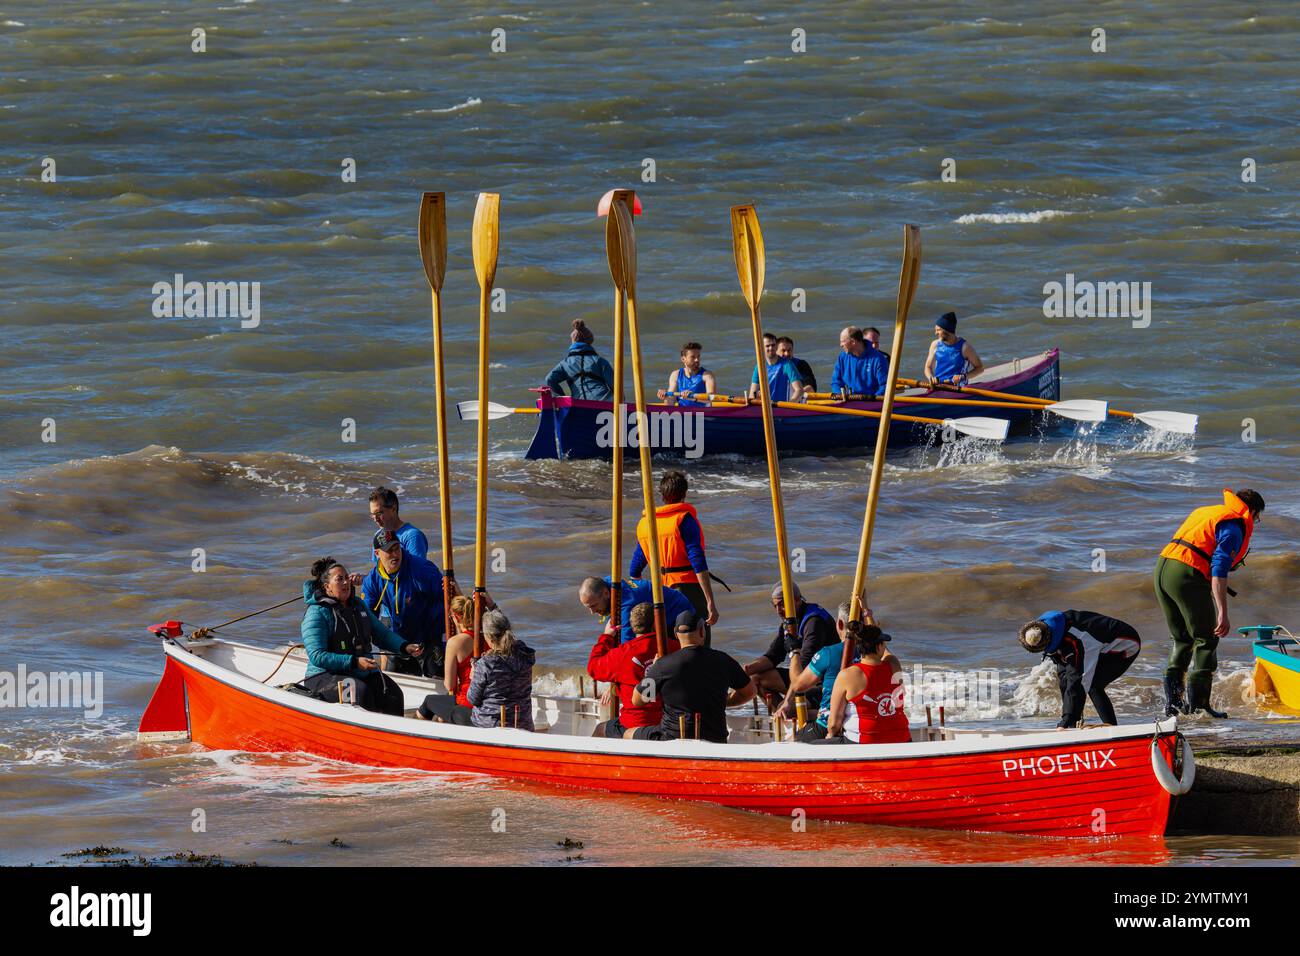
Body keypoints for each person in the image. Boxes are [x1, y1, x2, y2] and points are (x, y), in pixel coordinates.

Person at [1155, 488, 1265, 718]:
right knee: (1207, 638)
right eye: (1257, 517)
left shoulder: (1208, 511)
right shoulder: (1234, 526)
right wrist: (1223, 613)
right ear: (1252, 511)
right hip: (1186, 574)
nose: (1256, 521)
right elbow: (1218, 570)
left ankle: (1173, 705)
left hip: (1162, 569)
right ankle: (1199, 707)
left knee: (1182, 638)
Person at [299, 557, 421, 716]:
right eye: (339, 579)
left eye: (346, 578)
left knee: (393, 694)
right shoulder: (316, 612)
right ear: (327, 587)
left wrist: (404, 646)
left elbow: (381, 634)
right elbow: (317, 656)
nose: (345, 583)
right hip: (323, 676)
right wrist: (354, 662)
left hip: (357, 671)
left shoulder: (358, 605)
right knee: (361, 694)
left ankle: (391, 737)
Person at [627, 611, 755, 742]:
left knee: (628, 733)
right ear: (702, 632)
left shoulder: (663, 665)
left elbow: (638, 700)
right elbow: (749, 692)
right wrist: (723, 701)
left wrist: (652, 671)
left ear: (676, 635)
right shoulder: (723, 660)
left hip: (672, 737)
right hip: (716, 738)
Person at [630, 470, 722, 639]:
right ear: (684, 494)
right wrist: (710, 601)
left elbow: (636, 566)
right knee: (697, 639)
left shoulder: (646, 523)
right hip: (687, 589)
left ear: (662, 495)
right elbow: (698, 561)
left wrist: (640, 593)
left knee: (669, 640)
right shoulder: (684, 520)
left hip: (660, 590)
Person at [1018, 611, 1141, 728]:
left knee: (1093, 685)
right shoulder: (1048, 631)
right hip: (1100, 646)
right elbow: (1065, 678)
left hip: (1125, 645)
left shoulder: (1079, 641)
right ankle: (1072, 725)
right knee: (1065, 681)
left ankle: (1113, 730)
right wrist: (1067, 719)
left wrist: (1069, 717)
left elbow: (1080, 679)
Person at [776, 601, 875, 741]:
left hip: (830, 724)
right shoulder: (874, 653)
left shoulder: (828, 654)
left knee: (790, 743)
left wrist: (794, 651)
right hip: (860, 721)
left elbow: (798, 684)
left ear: (839, 624)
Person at [588, 603, 682, 738]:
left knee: (600, 730)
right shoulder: (674, 647)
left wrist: (607, 636)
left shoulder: (622, 653)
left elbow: (593, 668)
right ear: (656, 623)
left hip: (634, 723)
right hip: (669, 721)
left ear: (632, 626)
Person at [361, 527, 446, 677]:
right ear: (377, 554)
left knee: (436, 676)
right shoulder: (372, 581)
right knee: (390, 682)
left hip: (429, 637)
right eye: (389, 550)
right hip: (399, 639)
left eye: (396, 548)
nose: (395, 554)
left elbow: (448, 600)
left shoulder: (422, 570)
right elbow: (367, 617)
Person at [744, 582, 838, 711]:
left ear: (797, 600)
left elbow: (804, 667)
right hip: (801, 677)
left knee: (790, 710)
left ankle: (798, 716)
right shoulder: (789, 621)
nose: (778, 611)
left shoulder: (814, 622)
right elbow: (773, 656)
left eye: (782, 604)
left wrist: (788, 700)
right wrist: (747, 670)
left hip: (823, 682)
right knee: (756, 679)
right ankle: (782, 715)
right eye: (775, 606)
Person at [816, 620, 910, 745]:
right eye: (883, 642)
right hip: (903, 738)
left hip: (863, 743)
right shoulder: (894, 665)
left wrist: (830, 735)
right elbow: (886, 653)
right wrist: (867, 614)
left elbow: (834, 724)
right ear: (878, 647)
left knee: (811, 745)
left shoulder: (847, 675)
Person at [416, 592, 494, 725]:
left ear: (456, 618)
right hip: (489, 700)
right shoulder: (490, 637)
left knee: (428, 702)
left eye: (451, 616)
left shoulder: (454, 643)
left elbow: (449, 684)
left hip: (468, 701)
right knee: (442, 714)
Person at [466, 608, 536, 730]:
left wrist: (473, 676)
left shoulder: (487, 664)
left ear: (490, 638)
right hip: (524, 724)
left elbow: (473, 699)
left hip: (491, 725)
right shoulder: (525, 654)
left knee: (449, 709)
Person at [577, 575, 694, 645]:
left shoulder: (626, 605)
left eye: (593, 606)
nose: (592, 612)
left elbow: (627, 644)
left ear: (606, 594)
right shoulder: (608, 586)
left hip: (677, 612)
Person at [545, 320, 615, 401]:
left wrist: (562, 399)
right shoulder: (599, 361)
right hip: (603, 401)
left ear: (573, 342)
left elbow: (549, 379)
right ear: (590, 342)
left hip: (578, 403)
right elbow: (616, 386)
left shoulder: (565, 363)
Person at [365, 486, 429, 562]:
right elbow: (378, 571)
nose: (375, 519)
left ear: (393, 509)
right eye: (373, 515)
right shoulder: (378, 536)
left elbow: (418, 571)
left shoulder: (412, 536)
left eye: (379, 513)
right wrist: (365, 574)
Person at [923, 311, 984, 387]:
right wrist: (931, 377)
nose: (936, 333)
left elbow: (980, 368)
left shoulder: (964, 347)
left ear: (947, 330)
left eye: (938, 330)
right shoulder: (935, 345)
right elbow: (927, 367)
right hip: (938, 386)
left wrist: (964, 377)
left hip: (957, 389)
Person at [830, 326, 889, 399]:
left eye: (843, 341)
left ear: (853, 342)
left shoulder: (878, 359)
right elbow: (836, 382)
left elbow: (885, 386)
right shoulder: (842, 357)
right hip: (850, 400)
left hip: (871, 401)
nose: (841, 345)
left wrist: (871, 401)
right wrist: (839, 395)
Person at [748, 332, 805, 404]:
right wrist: (756, 399)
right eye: (767, 346)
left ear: (776, 347)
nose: (771, 348)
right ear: (761, 348)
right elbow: (752, 394)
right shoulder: (759, 367)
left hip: (783, 408)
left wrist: (788, 406)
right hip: (767, 407)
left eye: (773, 345)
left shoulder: (787, 364)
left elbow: (799, 390)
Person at [660, 341, 716, 407]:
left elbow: (712, 398)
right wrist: (665, 396)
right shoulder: (675, 375)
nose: (697, 360)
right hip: (682, 414)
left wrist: (693, 397)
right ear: (683, 359)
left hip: (703, 414)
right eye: (693, 357)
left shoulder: (707, 375)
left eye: (698, 356)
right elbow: (670, 403)